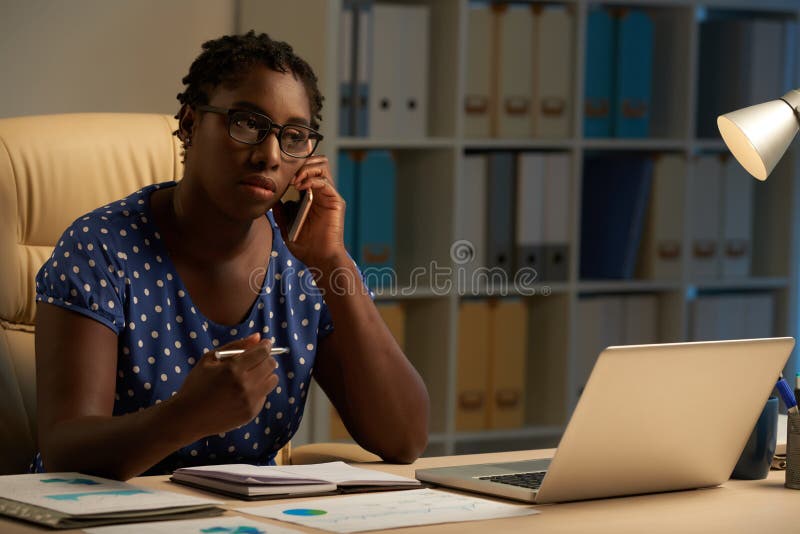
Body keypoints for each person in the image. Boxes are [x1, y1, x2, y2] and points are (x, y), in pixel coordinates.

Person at [33, 31, 429, 480]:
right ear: (189, 124)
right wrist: (186, 416)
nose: (270, 155)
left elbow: (404, 439)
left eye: (293, 137)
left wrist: (333, 262)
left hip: (242, 521)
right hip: (99, 516)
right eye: (246, 123)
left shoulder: (304, 264)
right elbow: (65, 452)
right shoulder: (101, 248)